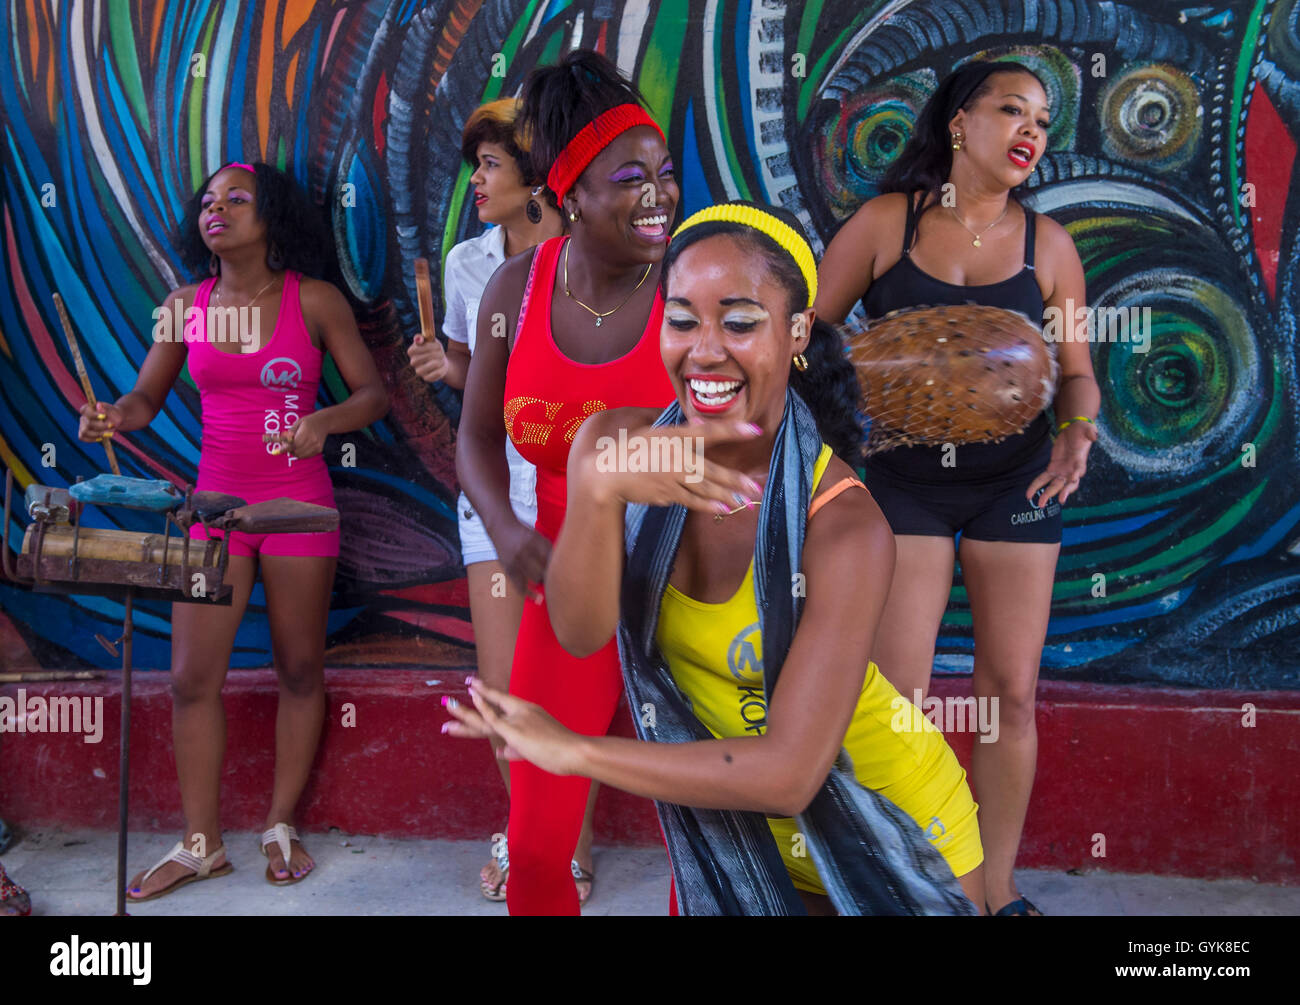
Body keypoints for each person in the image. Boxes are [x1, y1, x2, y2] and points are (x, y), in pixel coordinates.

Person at [446, 202, 984, 916]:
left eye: (738, 321)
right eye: (681, 319)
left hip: (890, 831)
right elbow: (581, 632)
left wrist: (574, 750)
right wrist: (599, 491)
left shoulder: (846, 526)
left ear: (795, 333)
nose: (703, 350)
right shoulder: (611, 442)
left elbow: (792, 773)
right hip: (742, 839)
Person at [814, 61, 1100, 916]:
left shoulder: (1050, 246)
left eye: (1043, 121)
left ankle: (994, 891)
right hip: (903, 484)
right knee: (897, 700)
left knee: (1007, 694)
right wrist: (846, 415)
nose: (1030, 131)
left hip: (1014, 484)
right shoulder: (882, 226)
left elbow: (1079, 369)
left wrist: (1078, 430)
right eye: (1011, 110)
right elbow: (811, 342)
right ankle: (910, 880)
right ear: (959, 123)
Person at [78, 162, 389, 901]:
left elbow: (373, 393)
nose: (217, 209)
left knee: (301, 668)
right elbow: (145, 398)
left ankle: (280, 823)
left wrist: (324, 421)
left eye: (237, 199)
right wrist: (114, 416)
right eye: (209, 201)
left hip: (296, 506)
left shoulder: (314, 301)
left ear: (271, 218)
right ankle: (200, 841)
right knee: (190, 678)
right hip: (213, 510)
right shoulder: (185, 305)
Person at [454, 49, 679, 915]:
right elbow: (476, 438)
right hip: (562, 582)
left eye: (663, 174)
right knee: (538, 841)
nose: (658, 194)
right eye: (631, 178)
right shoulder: (515, 288)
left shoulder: (691, 285)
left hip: (690, 580)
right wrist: (510, 533)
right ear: (573, 194)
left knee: (714, 835)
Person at [406, 98, 569, 902]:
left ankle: (560, 843)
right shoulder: (470, 263)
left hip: (580, 495)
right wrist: (447, 365)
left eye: (492, 165)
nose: (478, 180)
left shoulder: (587, 257)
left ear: (536, 176)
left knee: (569, 684)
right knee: (503, 684)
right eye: (477, 166)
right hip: (498, 494)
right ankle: (526, 829)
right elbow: (485, 398)